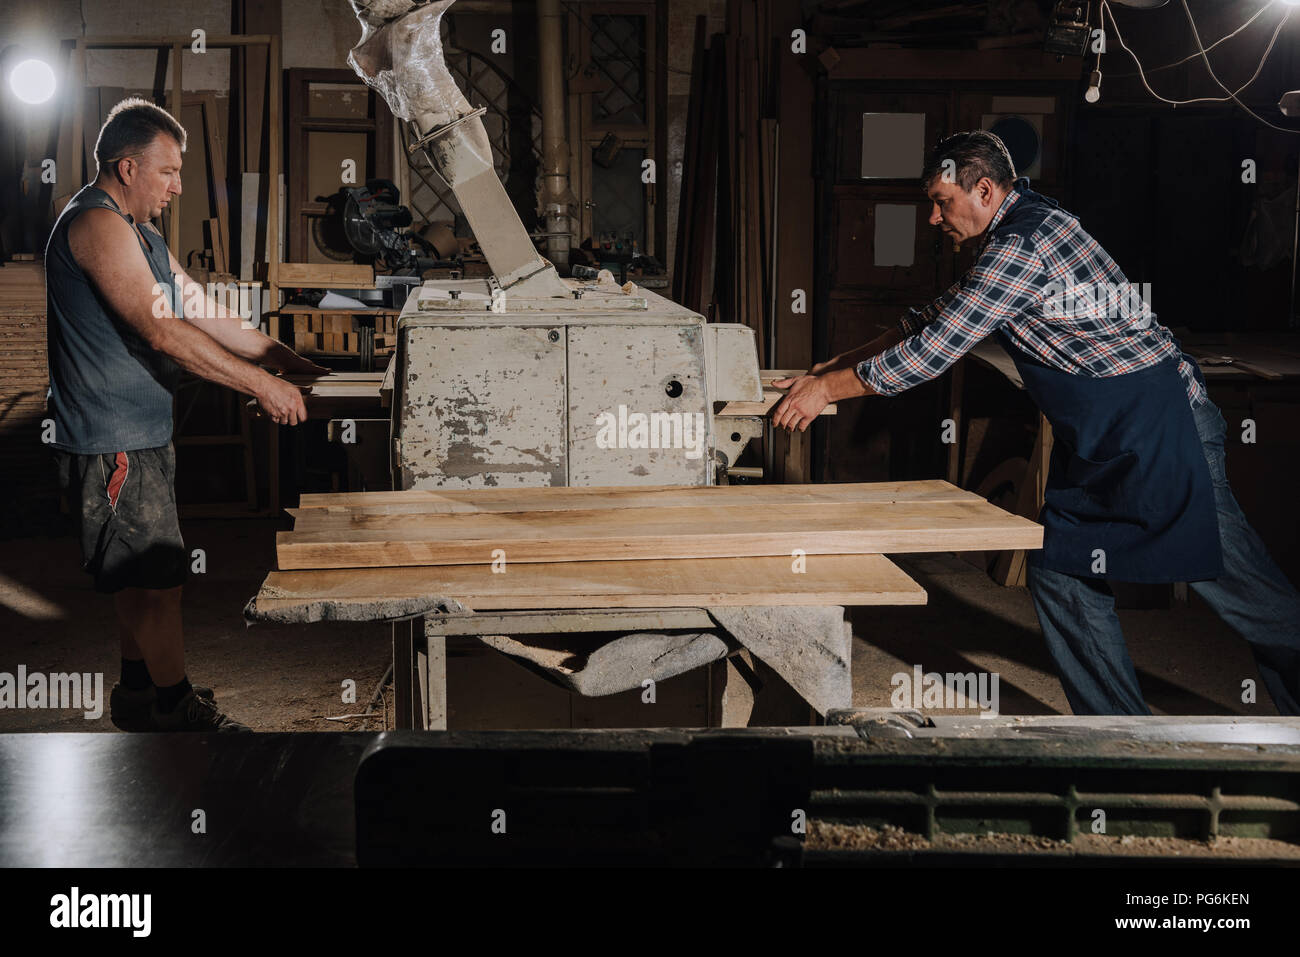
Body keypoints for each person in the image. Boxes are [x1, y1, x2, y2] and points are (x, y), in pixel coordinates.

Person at [773, 130, 1300, 716]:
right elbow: (934, 318)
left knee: (1244, 593)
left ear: (984, 189)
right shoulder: (1020, 227)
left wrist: (825, 392)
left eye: (941, 201)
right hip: (1110, 435)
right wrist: (833, 366)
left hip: (1161, 431)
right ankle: (1118, 735)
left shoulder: (1021, 246)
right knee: (1061, 572)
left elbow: (931, 352)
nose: (931, 217)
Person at [45, 97, 326, 732]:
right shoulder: (94, 226)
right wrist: (260, 386)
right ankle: (176, 707)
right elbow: (162, 331)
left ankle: (137, 691)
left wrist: (283, 359)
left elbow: (196, 304)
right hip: (111, 435)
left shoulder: (139, 232)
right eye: (168, 172)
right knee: (157, 581)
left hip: (142, 431)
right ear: (126, 167)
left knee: (138, 573)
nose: (177, 186)